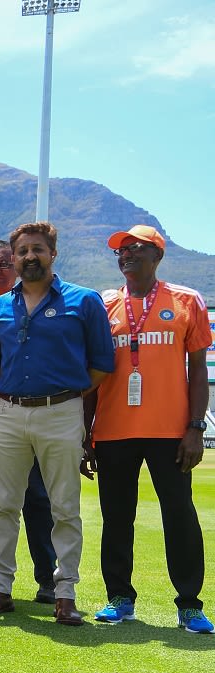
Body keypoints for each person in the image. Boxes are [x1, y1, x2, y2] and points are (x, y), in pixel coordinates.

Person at [0, 222, 114, 625]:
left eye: (37, 249)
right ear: (14, 258)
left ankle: (65, 593)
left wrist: (67, 396)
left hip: (61, 410)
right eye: (22, 251)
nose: (29, 256)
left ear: (53, 253)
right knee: (4, 506)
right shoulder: (1, 306)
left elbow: (102, 364)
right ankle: (0, 589)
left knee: (64, 507)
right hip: (9, 412)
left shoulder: (84, 300)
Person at [86, 225, 211, 633]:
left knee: (179, 514)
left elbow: (198, 371)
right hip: (113, 430)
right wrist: (86, 432)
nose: (126, 255)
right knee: (116, 517)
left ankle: (189, 605)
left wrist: (195, 428)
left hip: (170, 432)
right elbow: (93, 375)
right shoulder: (104, 304)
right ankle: (119, 598)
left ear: (158, 255)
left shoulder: (187, 300)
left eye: (136, 249)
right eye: (121, 251)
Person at [0, 240, 57, 599]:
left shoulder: (27, 305)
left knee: (36, 496)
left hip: (17, 407)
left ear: (15, 265)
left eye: (3, 263)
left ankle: (47, 577)